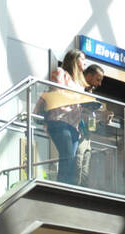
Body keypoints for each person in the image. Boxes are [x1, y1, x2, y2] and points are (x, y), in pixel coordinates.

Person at [42, 50, 89, 185]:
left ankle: (64, 187)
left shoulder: (80, 84)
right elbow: (58, 93)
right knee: (67, 157)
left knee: (70, 160)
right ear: (74, 59)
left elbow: (78, 106)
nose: (85, 62)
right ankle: (62, 188)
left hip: (74, 125)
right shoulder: (60, 72)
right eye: (82, 58)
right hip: (58, 120)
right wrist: (79, 98)